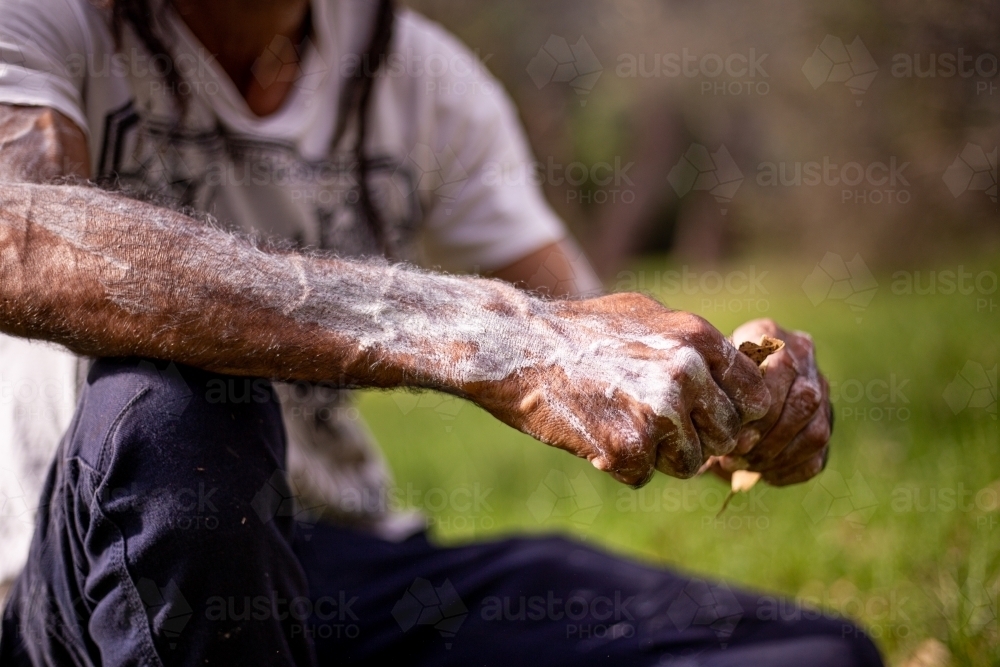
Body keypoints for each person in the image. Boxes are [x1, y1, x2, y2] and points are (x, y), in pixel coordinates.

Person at [0, 0, 880, 664]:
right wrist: (497, 339)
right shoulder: (44, 18)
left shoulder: (424, 75)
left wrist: (730, 395)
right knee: (171, 414)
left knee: (802, 654)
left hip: (339, 570)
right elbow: (22, 237)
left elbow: (588, 332)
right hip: (79, 576)